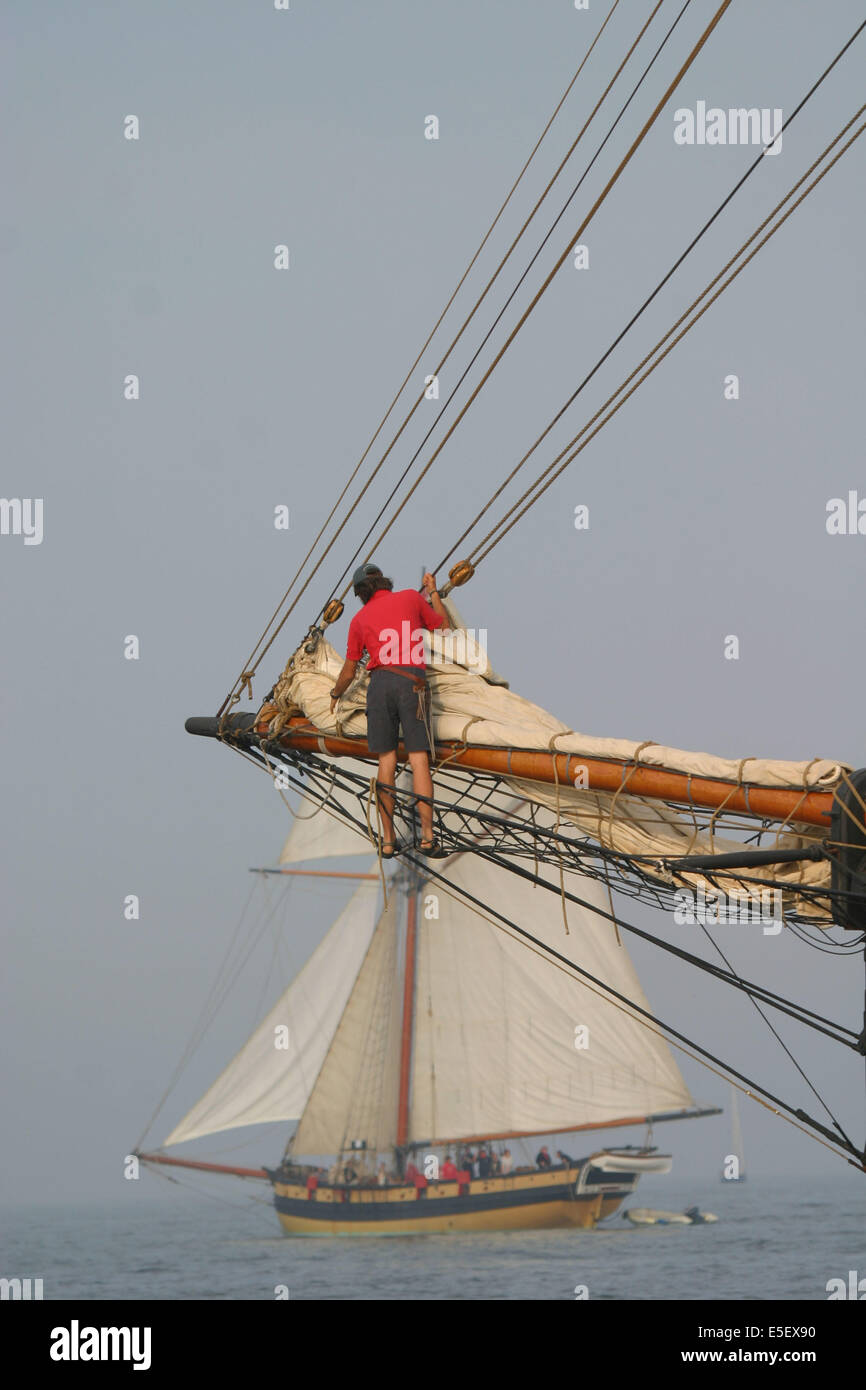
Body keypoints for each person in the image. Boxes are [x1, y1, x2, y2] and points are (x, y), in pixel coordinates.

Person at [329, 564, 451, 857]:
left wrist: (335, 693)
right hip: (412, 683)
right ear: (384, 581)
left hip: (380, 686)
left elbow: (349, 671)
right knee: (419, 758)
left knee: (386, 760)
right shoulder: (410, 597)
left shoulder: (358, 620)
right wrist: (433, 592)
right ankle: (427, 837)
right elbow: (444, 628)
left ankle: (387, 840)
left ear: (360, 593)